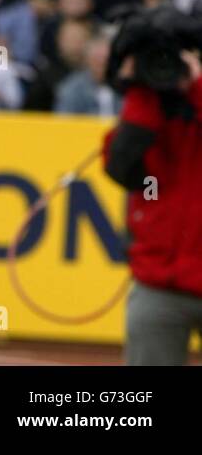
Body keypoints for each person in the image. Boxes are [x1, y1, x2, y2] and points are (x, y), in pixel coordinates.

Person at [102, 33, 202, 364]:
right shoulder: (150, 108)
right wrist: (141, 91)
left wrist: (198, 88)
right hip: (160, 281)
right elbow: (121, 167)